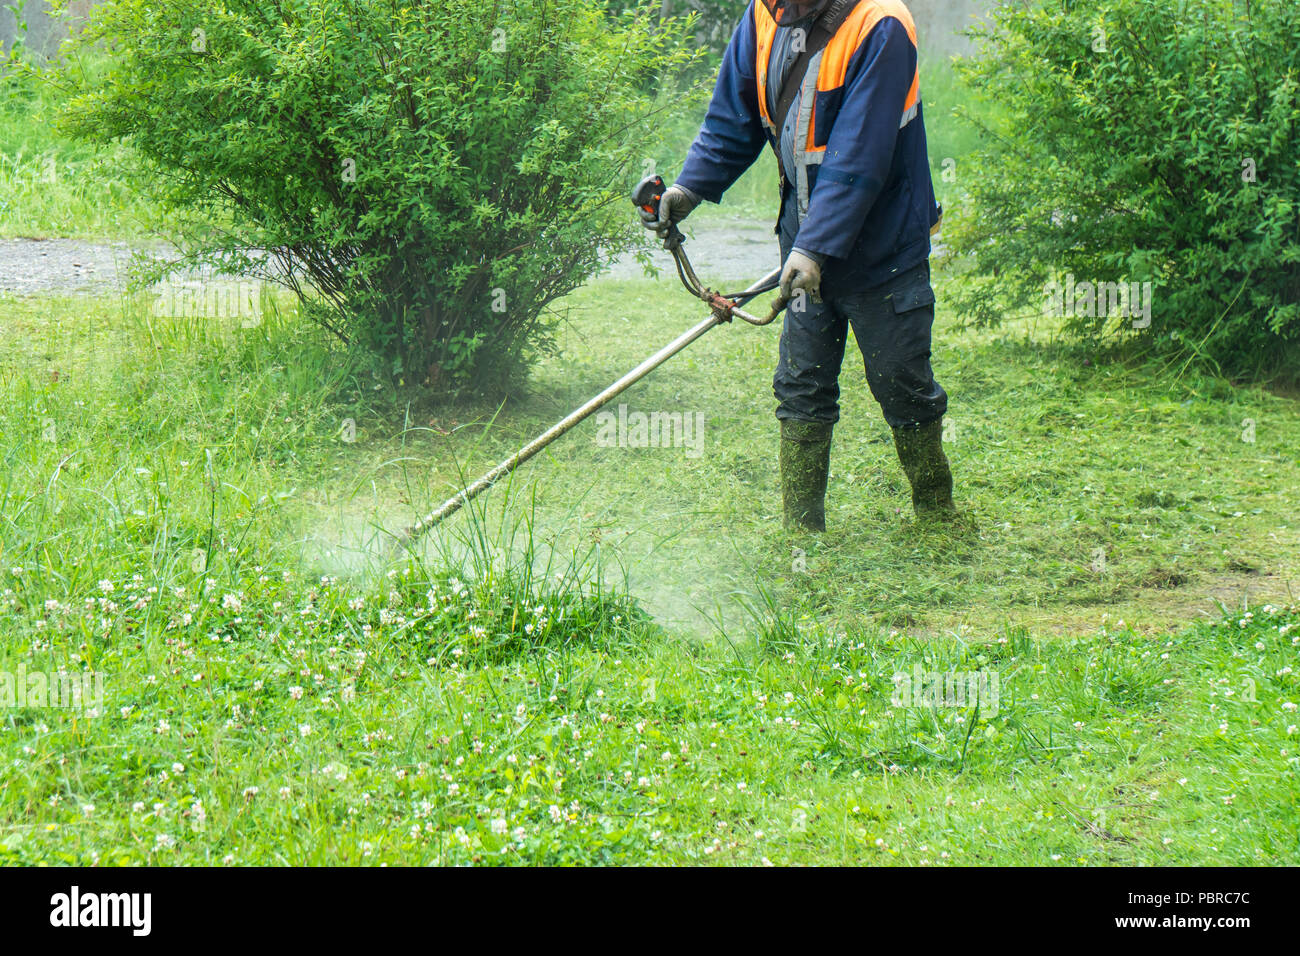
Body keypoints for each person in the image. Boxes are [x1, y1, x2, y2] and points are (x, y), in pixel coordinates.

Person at [642, 0, 954, 530]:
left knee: (901, 381)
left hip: (884, 251)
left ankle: (936, 515)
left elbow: (859, 156)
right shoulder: (765, 14)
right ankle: (801, 529)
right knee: (801, 384)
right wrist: (689, 187)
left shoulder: (882, 26)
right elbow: (732, 118)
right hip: (804, 242)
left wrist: (815, 248)